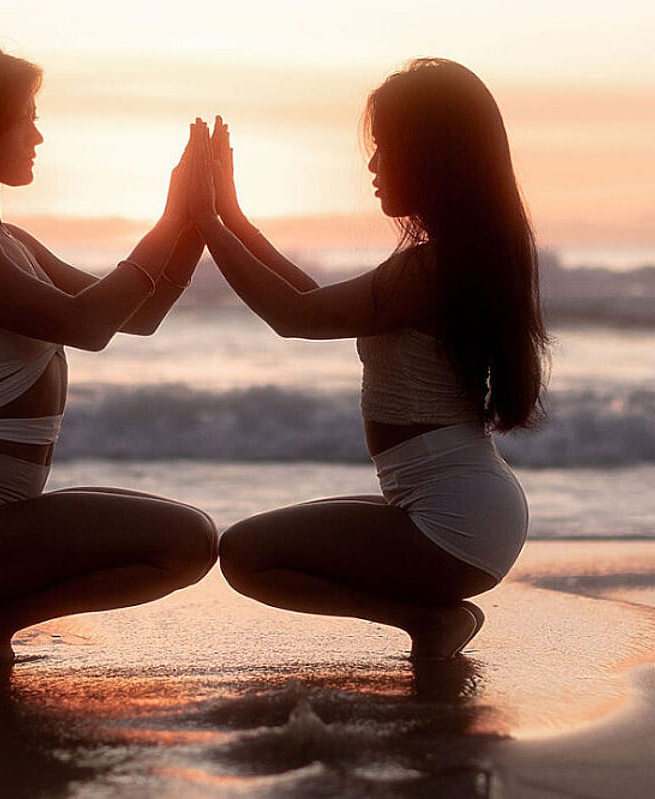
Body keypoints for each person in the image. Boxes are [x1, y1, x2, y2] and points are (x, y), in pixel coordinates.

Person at [0, 42, 217, 663]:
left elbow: (142, 315)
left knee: (189, 536)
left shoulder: (5, 240)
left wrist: (196, 220)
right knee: (186, 540)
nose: (38, 135)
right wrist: (169, 218)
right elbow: (88, 325)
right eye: (25, 116)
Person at [184, 57, 549, 660]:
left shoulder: (432, 268)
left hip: (453, 522)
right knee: (258, 543)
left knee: (247, 556)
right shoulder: (452, 259)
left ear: (432, 154)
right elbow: (311, 301)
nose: (373, 166)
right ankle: (431, 619)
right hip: (462, 509)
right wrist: (231, 216)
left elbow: (295, 318)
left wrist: (205, 223)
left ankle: (425, 621)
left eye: (385, 147)